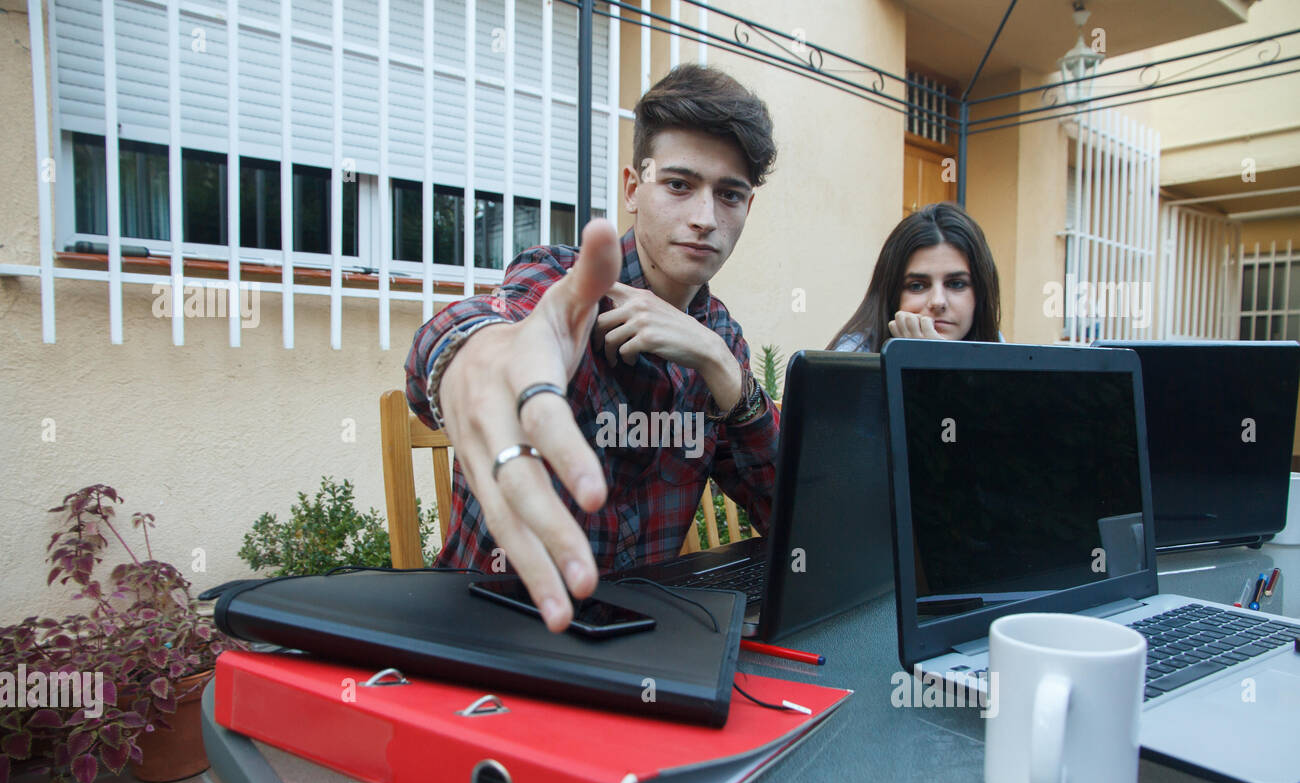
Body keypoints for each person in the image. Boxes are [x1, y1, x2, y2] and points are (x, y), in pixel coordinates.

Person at [404, 65, 780, 633]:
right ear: (634, 188)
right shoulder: (568, 285)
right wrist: (471, 358)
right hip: (487, 629)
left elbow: (788, 512)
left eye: (729, 195)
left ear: (747, 209)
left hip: (637, 642)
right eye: (679, 185)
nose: (705, 218)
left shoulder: (720, 338)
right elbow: (495, 322)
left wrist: (723, 367)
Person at [828, 202, 1002, 352]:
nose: (938, 302)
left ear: (981, 293)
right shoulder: (853, 356)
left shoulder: (997, 348)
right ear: (891, 295)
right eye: (917, 286)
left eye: (956, 284)